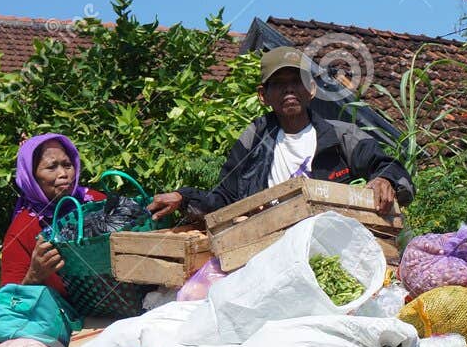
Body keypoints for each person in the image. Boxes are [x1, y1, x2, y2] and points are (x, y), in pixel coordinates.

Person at [147, 46, 412, 223]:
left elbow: (392, 169)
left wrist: (385, 180)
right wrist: (184, 197)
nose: (289, 90)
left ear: (311, 90)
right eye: (279, 84)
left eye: (296, 82)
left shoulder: (342, 135)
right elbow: (224, 198)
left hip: (332, 244)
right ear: (264, 96)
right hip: (267, 244)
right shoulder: (254, 139)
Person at [0, 133, 102, 295]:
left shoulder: (93, 201)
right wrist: (34, 275)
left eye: (67, 165)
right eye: (51, 167)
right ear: (31, 177)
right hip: (63, 317)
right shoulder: (21, 231)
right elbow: (11, 302)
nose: (63, 174)